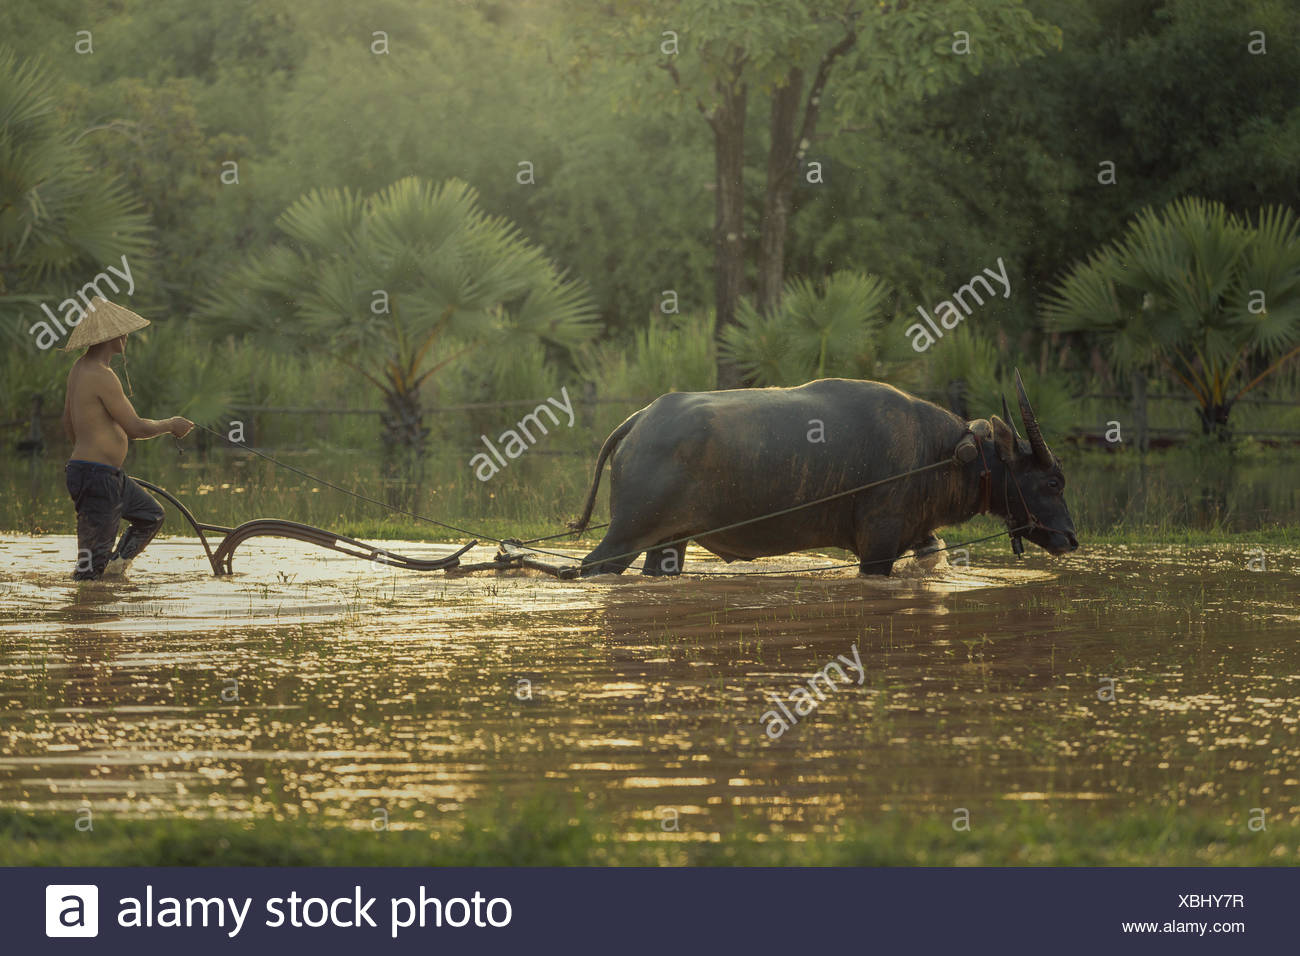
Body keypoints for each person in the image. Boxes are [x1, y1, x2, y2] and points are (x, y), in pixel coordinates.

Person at [60, 297, 193, 580]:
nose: (126, 336)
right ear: (110, 337)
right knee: (88, 568)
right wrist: (171, 425)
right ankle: (86, 608)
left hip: (102, 474)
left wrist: (91, 458)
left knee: (150, 516)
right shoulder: (101, 375)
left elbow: (67, 421)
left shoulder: (79, 368)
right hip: (97, 476)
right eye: (122, 332)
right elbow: (135, 427)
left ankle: (114, 571)